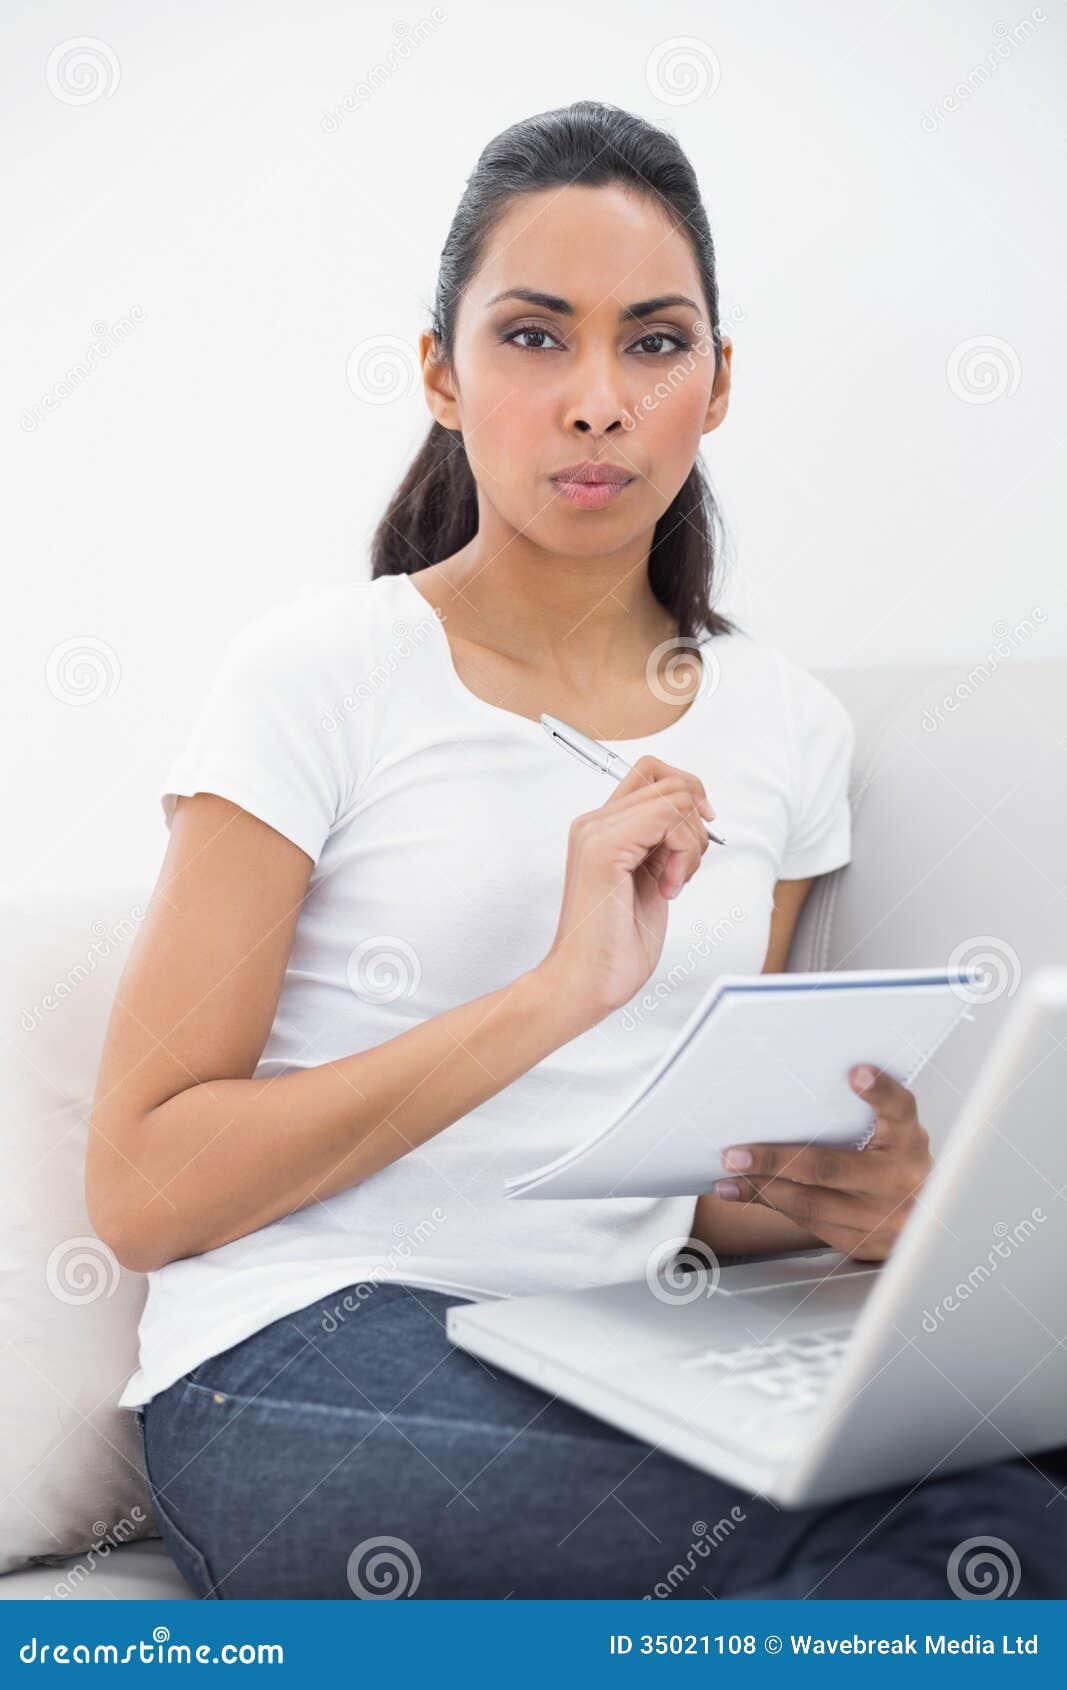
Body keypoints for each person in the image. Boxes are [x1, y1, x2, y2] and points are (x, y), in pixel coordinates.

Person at [86, 100, 1066, 1600]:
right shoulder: (316, 672)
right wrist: (554, 990)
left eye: (655, 342)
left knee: (1007, 1479)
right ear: (440, 370)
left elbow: (687, 1177)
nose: (599, 398)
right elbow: (145, 1185)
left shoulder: (786, 729)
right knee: (938, 1540)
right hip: (308, 1346)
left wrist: (873, 1203)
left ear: (719, 383)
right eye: (536, 337)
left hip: (628, 1332)